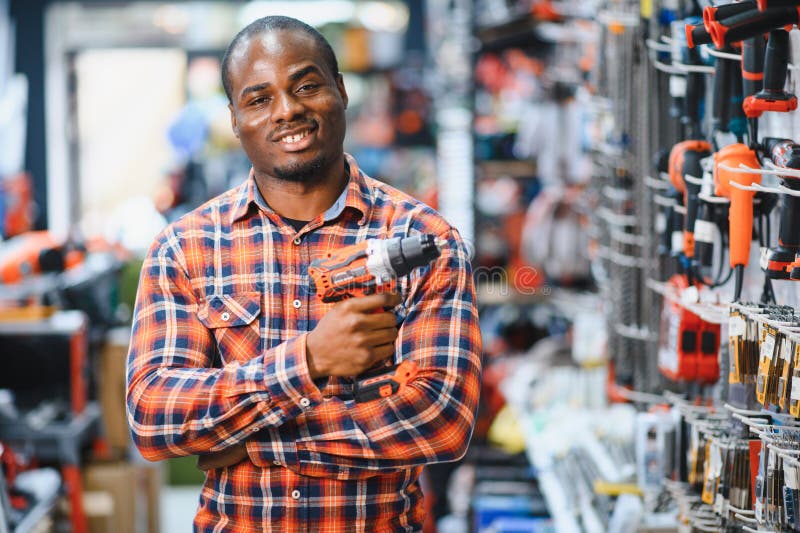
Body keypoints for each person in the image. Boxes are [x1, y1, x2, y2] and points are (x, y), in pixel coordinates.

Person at [126, 15, 481, 532]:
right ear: (234, 117)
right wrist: (308, 361)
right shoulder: (184, 248)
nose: (287, 110)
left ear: (339, 90)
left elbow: (440, 420)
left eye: (306, 86)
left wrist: (249, 442)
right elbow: (154, 417)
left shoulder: (426, 239)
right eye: (258, 98)